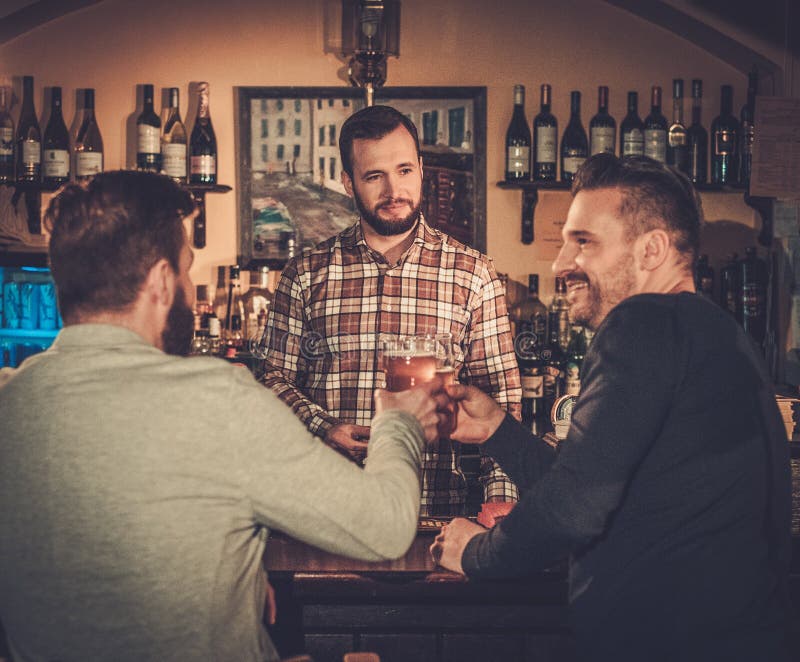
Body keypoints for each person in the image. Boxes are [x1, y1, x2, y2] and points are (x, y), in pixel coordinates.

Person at [0, 171, 450, 662]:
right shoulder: (218, 401)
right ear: (160, 282)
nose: (190, 292)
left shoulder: (11, 400)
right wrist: (399, 422)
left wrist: (235, 569)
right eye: (186, 269)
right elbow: (384, 528)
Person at [430, 153, 793, 660]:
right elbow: (597, 486)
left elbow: (571, 510)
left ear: (652, 249)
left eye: (583, 242)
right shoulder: (710, 330)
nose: (560, 264)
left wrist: (475, 553)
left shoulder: (642, 322)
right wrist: (498, 430)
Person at [261, 104, 521, 516]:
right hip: (330, 506)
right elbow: (271, 378)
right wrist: (322, 428)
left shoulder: (474, 274)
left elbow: (500, 397)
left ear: (420, 168)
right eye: (373, 176)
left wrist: (501, 494)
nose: (393, 191)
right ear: (348, 182)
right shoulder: (306, 274)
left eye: (404, 170)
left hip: (434, 510)